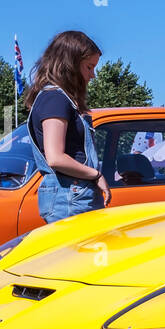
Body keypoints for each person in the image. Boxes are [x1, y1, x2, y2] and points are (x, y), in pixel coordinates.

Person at [24, 30, 108, 223]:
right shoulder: (55, 99)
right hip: (70, 195)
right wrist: (96, 175)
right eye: (89, 67)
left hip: (71, 193)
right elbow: (56, 158)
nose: (92, 75)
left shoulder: (57, 99)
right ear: (70, 65)